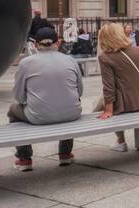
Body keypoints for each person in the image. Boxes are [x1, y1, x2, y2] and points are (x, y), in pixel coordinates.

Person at [8, 25, 84, 170]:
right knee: (68, 102)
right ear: (58, 42)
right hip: (72, 113)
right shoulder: (70, 60)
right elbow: (80, 91)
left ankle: (24, 158)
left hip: (39, 116)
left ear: (36, 44)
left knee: (13, 111)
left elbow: (18, 97)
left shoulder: (26, 63)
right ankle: (65, 154)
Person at [96, 21, 139, 152]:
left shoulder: (105, 57)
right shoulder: (137, 50)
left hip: (127, 104)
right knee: (105, 99)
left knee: (101, 103)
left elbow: (108, 87)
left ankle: (121, 141)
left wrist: (108, 110)